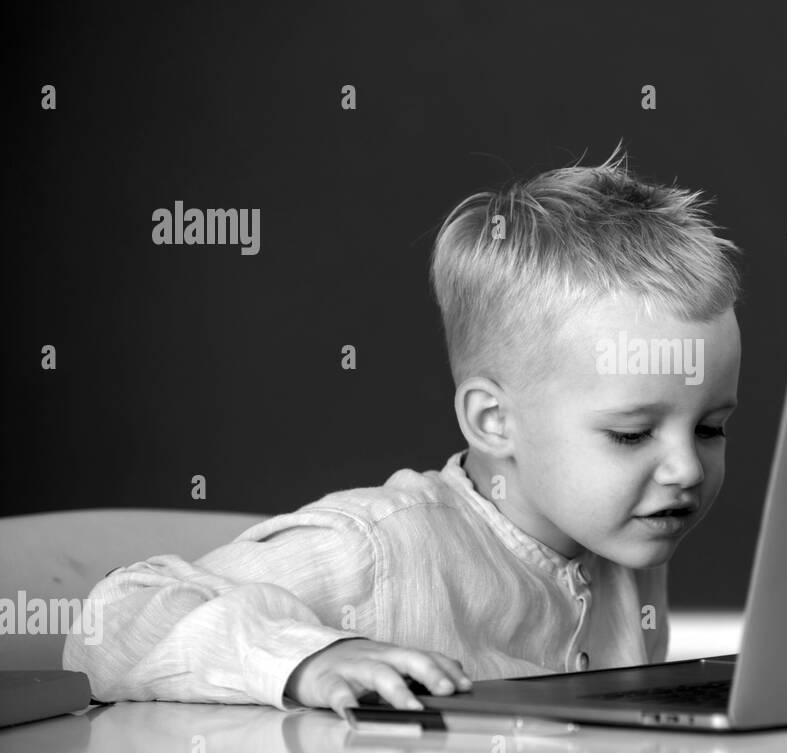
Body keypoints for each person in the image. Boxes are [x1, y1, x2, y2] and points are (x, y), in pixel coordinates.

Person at [63, 142, 744, 720]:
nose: (684, 468)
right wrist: (313, 658)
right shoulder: (380, 550)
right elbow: (115, 619)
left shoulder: (622, 545)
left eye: (711, 427)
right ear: (494, 421)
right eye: (631, 434)